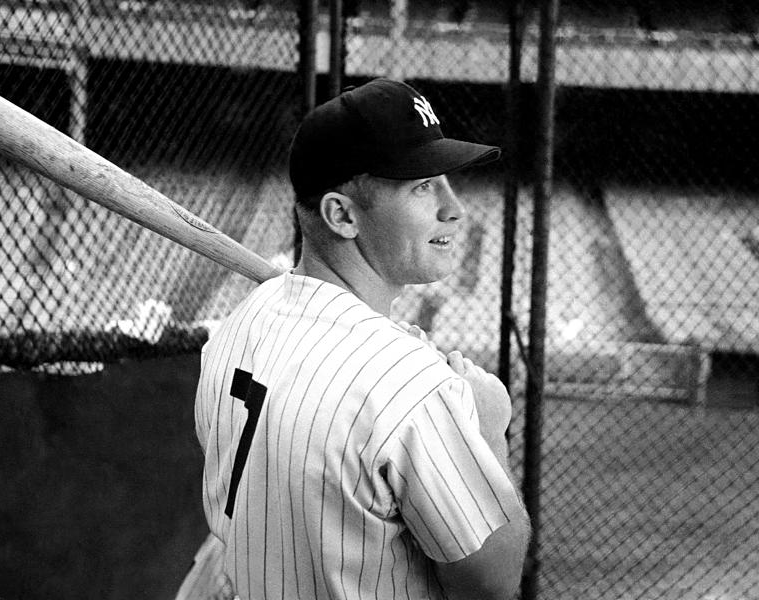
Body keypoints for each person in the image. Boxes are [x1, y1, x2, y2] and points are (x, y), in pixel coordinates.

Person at [194, 78, 530, 600]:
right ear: (342, 215)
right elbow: (493, 585)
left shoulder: (237, 326)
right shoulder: (411, 388)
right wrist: (489, 433)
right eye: (422, 185)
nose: (454, 207)